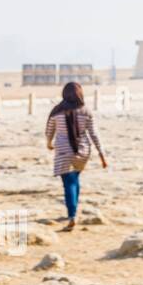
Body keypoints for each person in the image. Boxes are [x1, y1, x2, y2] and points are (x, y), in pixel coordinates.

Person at [45, 82, 107, 230]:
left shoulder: (57, 111)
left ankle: (72, 215)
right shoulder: (86, 111)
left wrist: (49, 143)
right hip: (82, 151)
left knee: (69, 183)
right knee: (74, 178)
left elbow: (49, 131)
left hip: (63, 152)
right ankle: (74, 211)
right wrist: (102, 154)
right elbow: (94, 134)